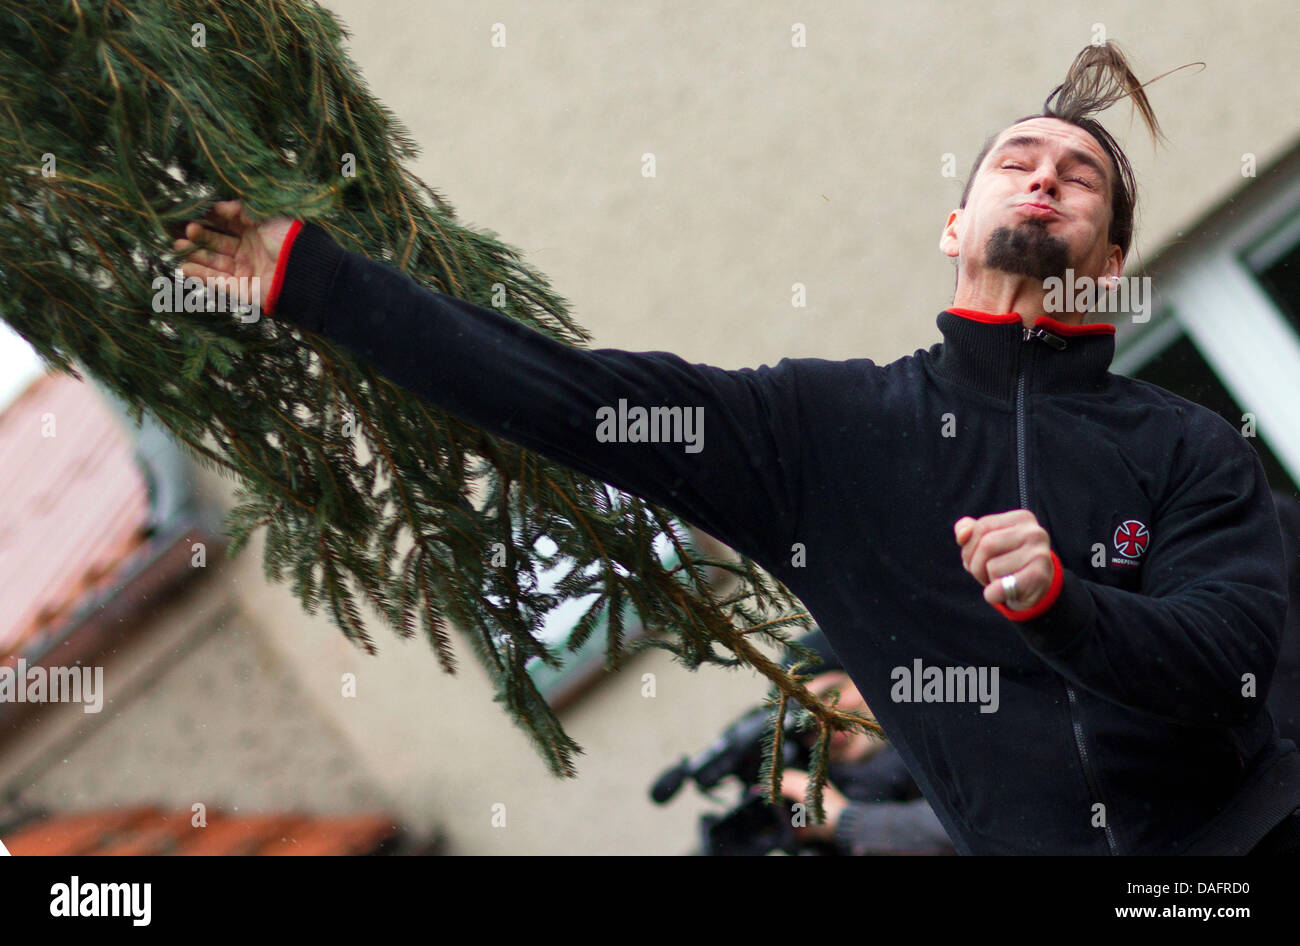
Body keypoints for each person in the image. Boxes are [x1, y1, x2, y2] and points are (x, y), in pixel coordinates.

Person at [171, 41, 1300, 854]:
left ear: (1107, 263)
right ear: (953, 226)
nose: (1045, 174)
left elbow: (1230, 661)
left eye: (1080, 173)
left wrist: (1057, 601)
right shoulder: (820, 431)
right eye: (1015, 159)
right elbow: (571, 395)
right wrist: (310, 278)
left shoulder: (1186, 444)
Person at [775, 631, 954, 855]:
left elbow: (982, 823)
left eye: (831, 695)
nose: (824, 722)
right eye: (806, 724)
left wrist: (845, 821)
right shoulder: (860, 791)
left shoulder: (957, 721)